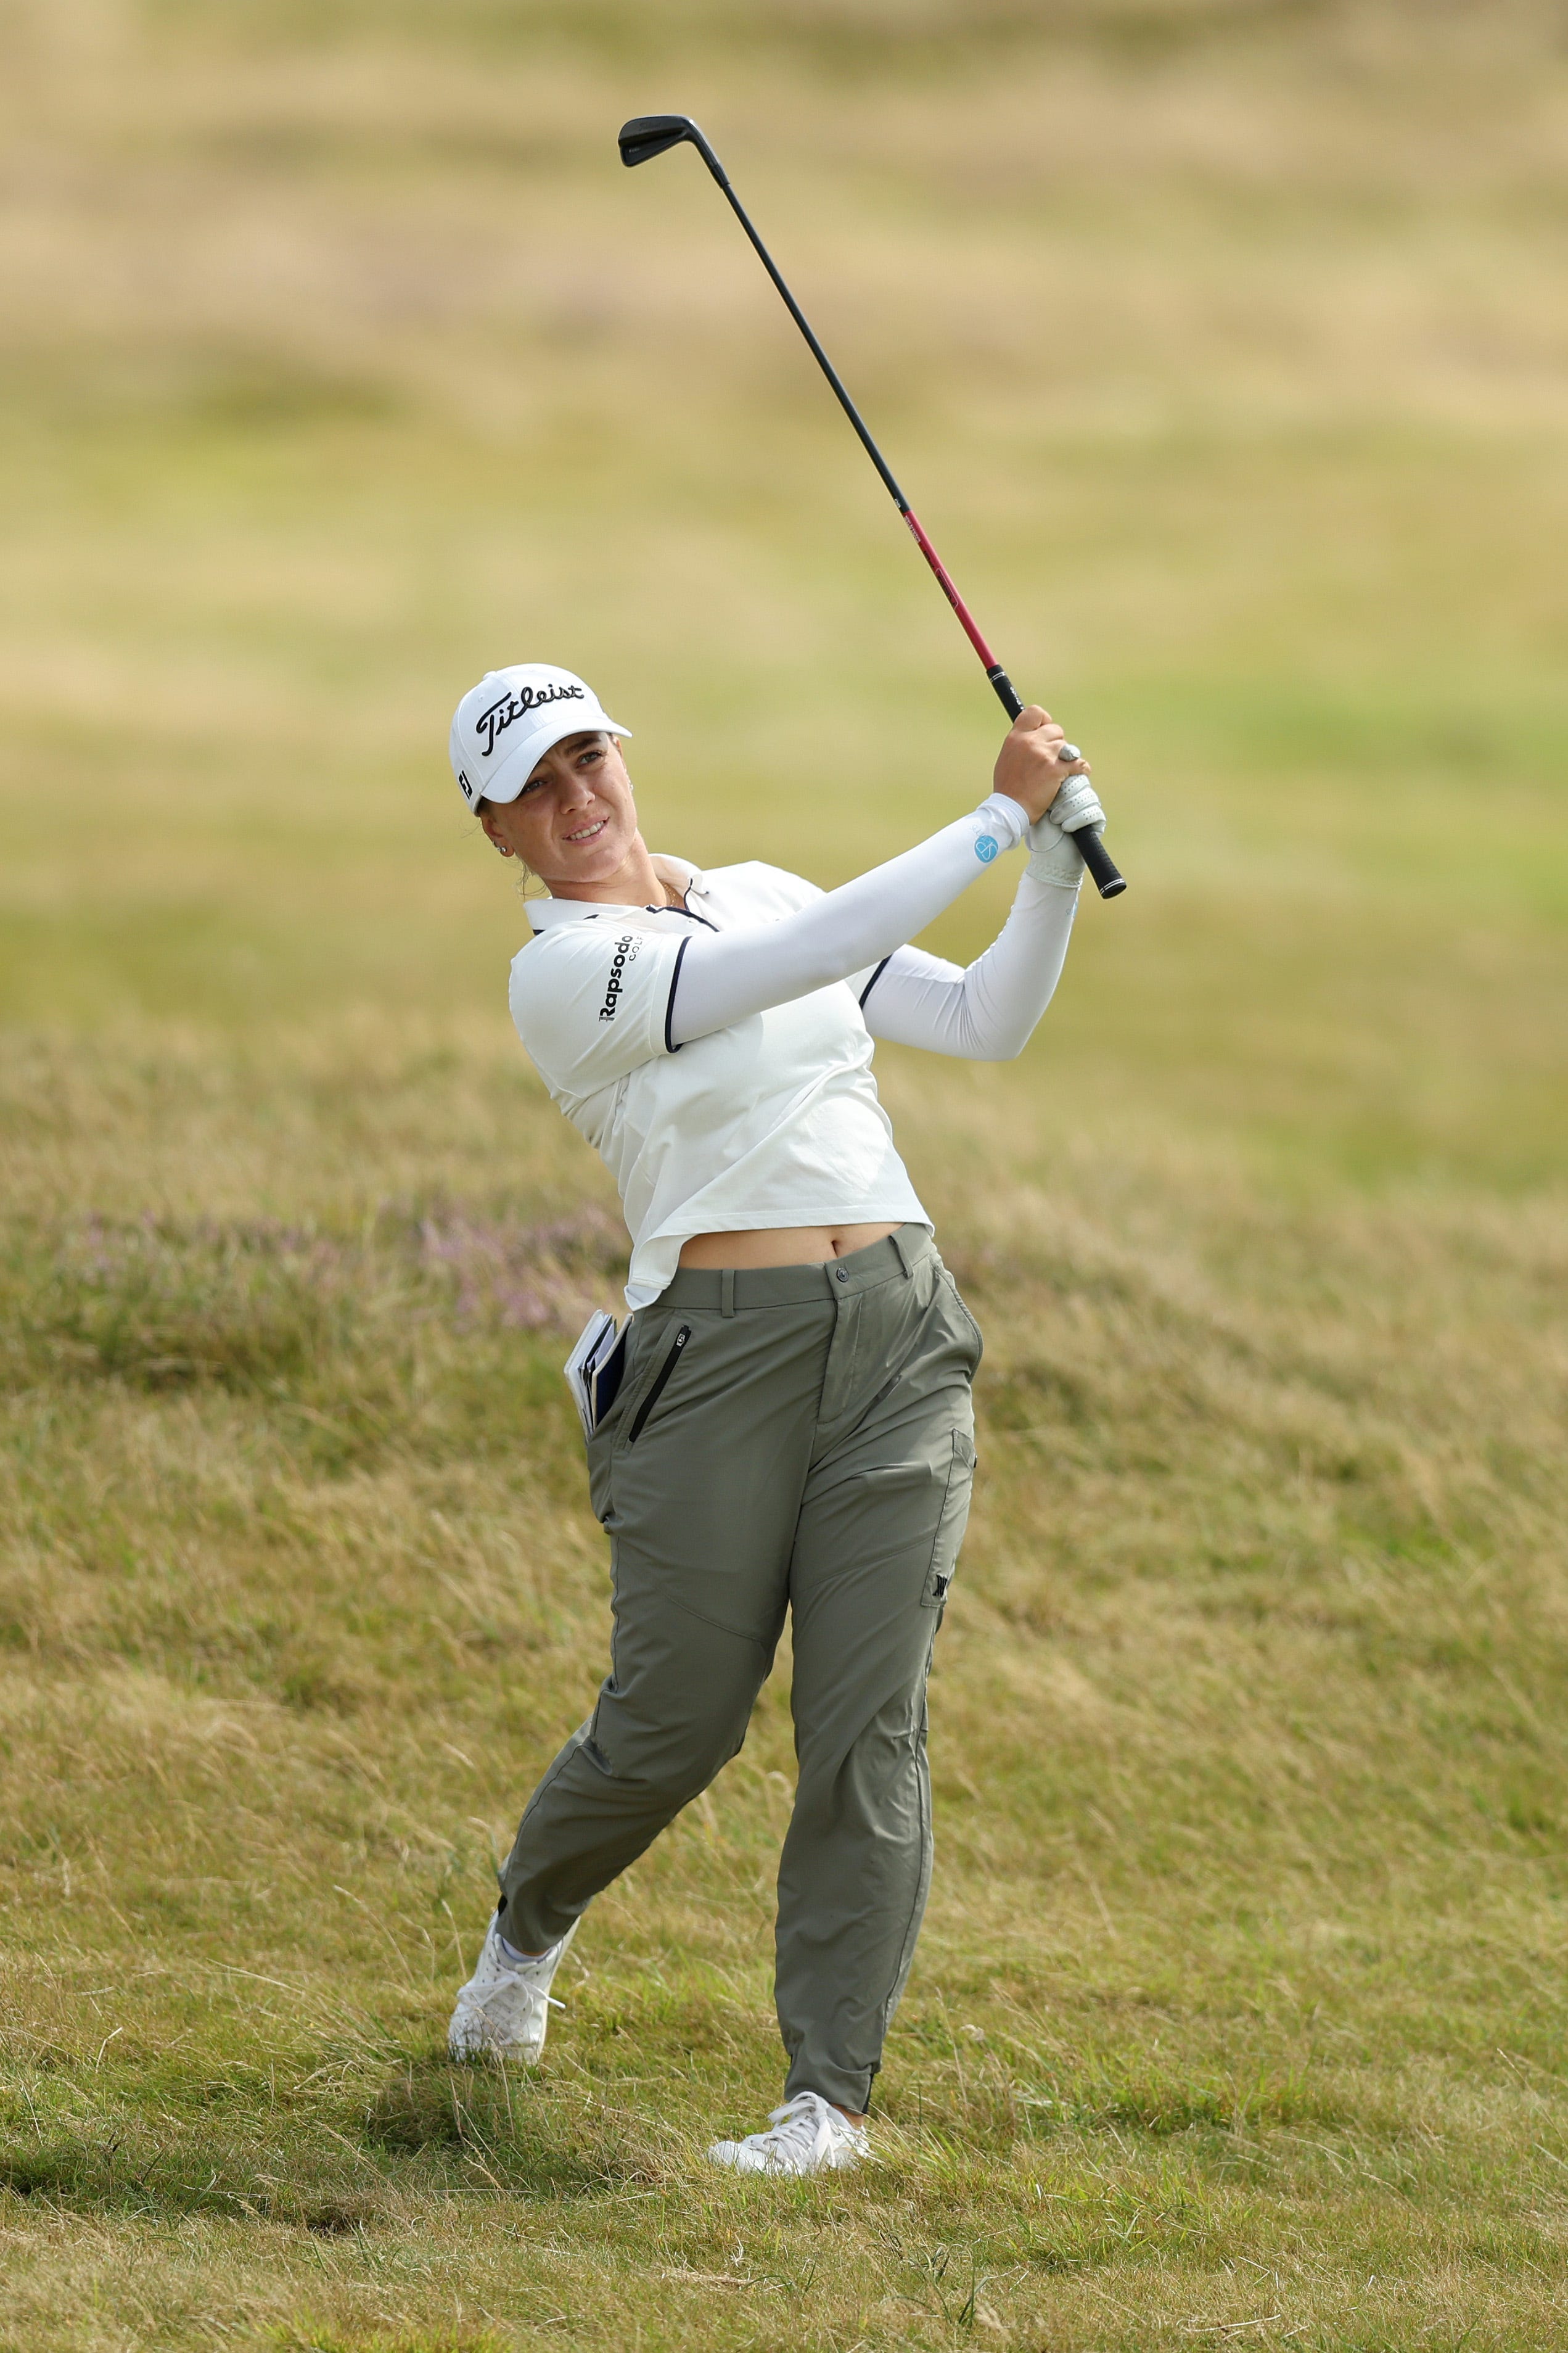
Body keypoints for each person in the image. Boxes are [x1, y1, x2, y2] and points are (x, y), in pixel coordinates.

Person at [443, 662, 1103, 2176]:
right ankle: (525, 1936)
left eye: (590, 757)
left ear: (625, 753)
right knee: (673, 1724)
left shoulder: (752, 890)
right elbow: (812, 953)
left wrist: (1049, 867)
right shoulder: (565, 973)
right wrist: (997, 819)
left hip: (895, 1334)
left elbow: (982, 1019)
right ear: (496, 830)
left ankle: (827, 2103)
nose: (579, 797)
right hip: (712, 1366)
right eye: (537, 786)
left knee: (867, 1726)